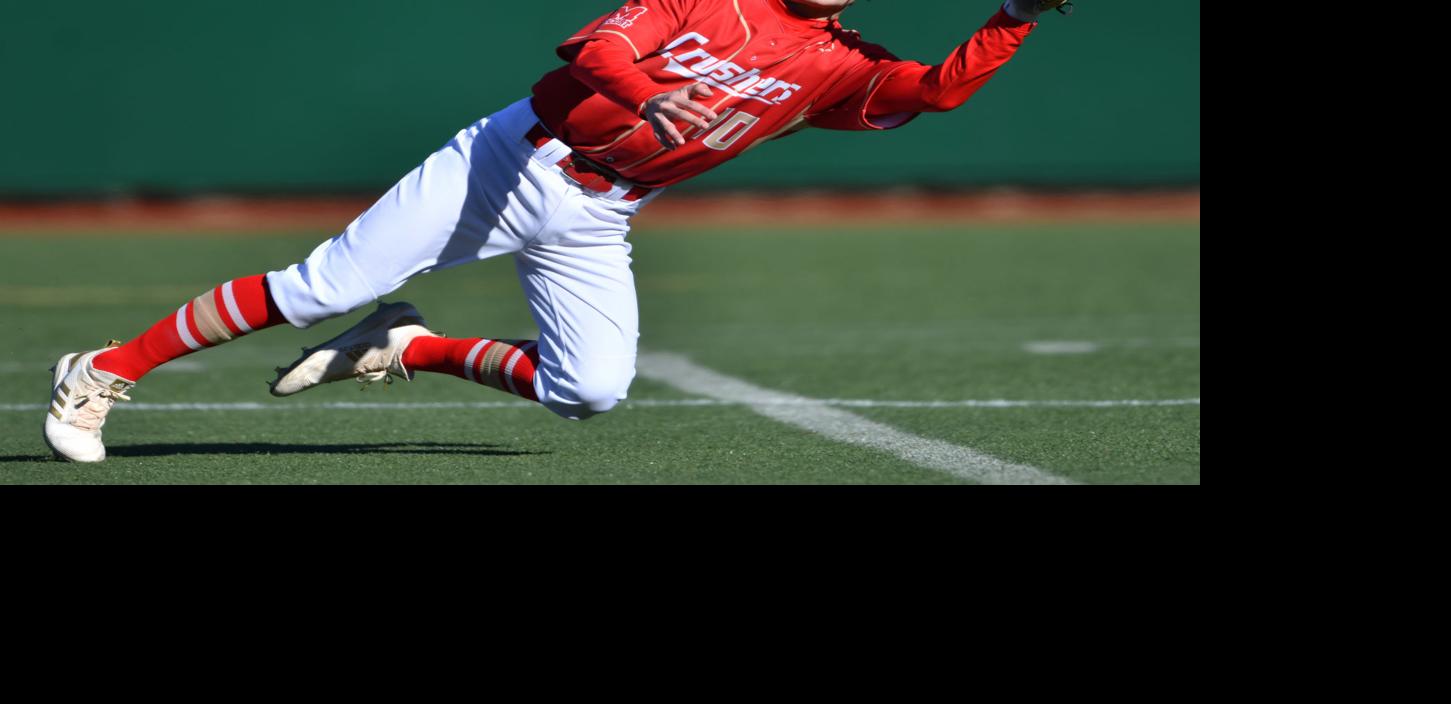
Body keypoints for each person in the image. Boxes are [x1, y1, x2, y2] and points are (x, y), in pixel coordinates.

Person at [43, 0, 1073, 463]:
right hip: (511, 158)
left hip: (601, 209)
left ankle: (411, 347)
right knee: (319, 288)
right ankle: (102, 371)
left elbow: (935, 91)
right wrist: (648, 97)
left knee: (590, 391)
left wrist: (1015, 16)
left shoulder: (840, 62)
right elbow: (593, 48)